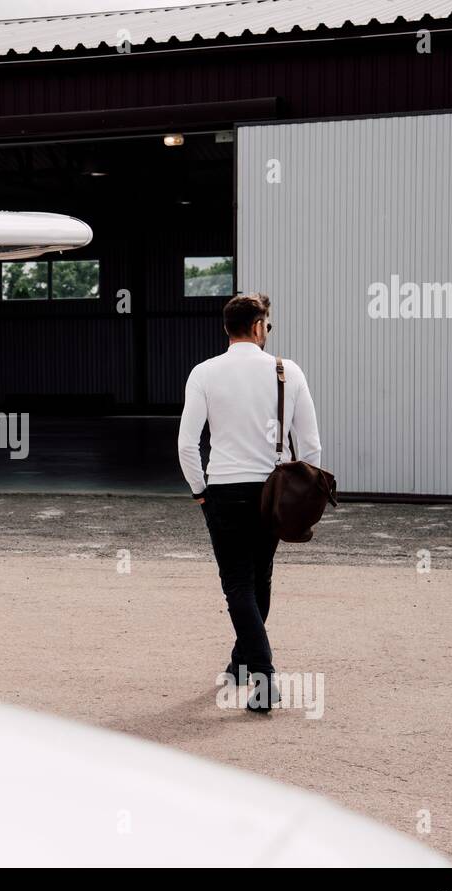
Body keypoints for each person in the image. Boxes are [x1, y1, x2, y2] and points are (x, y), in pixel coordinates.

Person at [176, 293, 322, 713]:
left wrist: (199, 489)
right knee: (259, 582)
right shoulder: (287, 372)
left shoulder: (204, 373)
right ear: (259, 327)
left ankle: (260, 675)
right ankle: (248, 667)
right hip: (272, 493)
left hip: (223, 491)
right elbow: (310, 445)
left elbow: (188, 444)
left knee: (239, 585)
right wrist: (303, 497)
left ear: (228, 327)